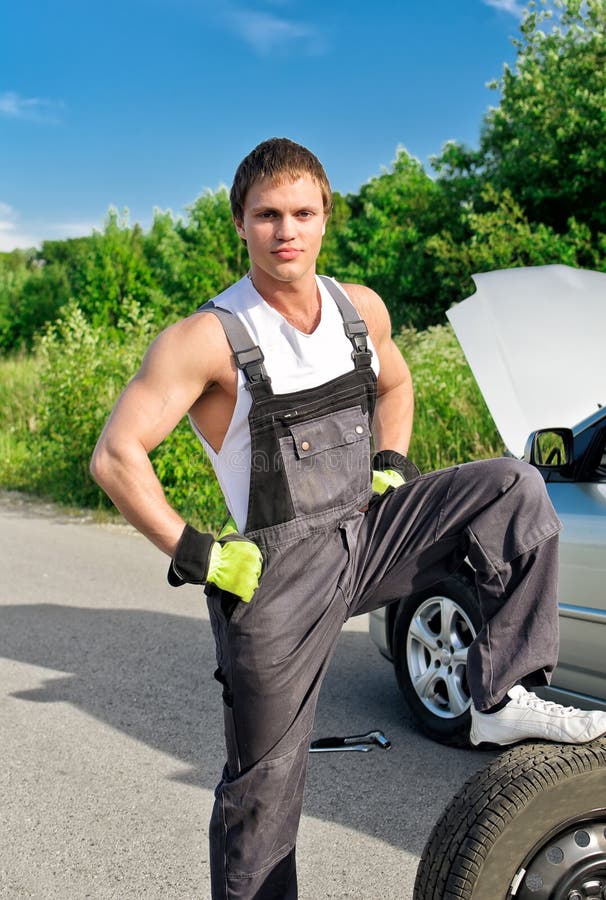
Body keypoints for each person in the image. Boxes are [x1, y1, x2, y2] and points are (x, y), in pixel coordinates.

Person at [91, 137, 606, 900]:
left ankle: (497, 699)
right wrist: (199, 552)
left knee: (513, 486)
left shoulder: (358, 309)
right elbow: (116, 456)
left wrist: (392, 462)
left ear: (326, 215)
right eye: (267, 215)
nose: (286, 230)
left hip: (368, 533)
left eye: (302, 212)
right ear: (241, 223)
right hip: (277, 578)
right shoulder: (209, 338)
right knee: (262, 796)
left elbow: (395, 386)